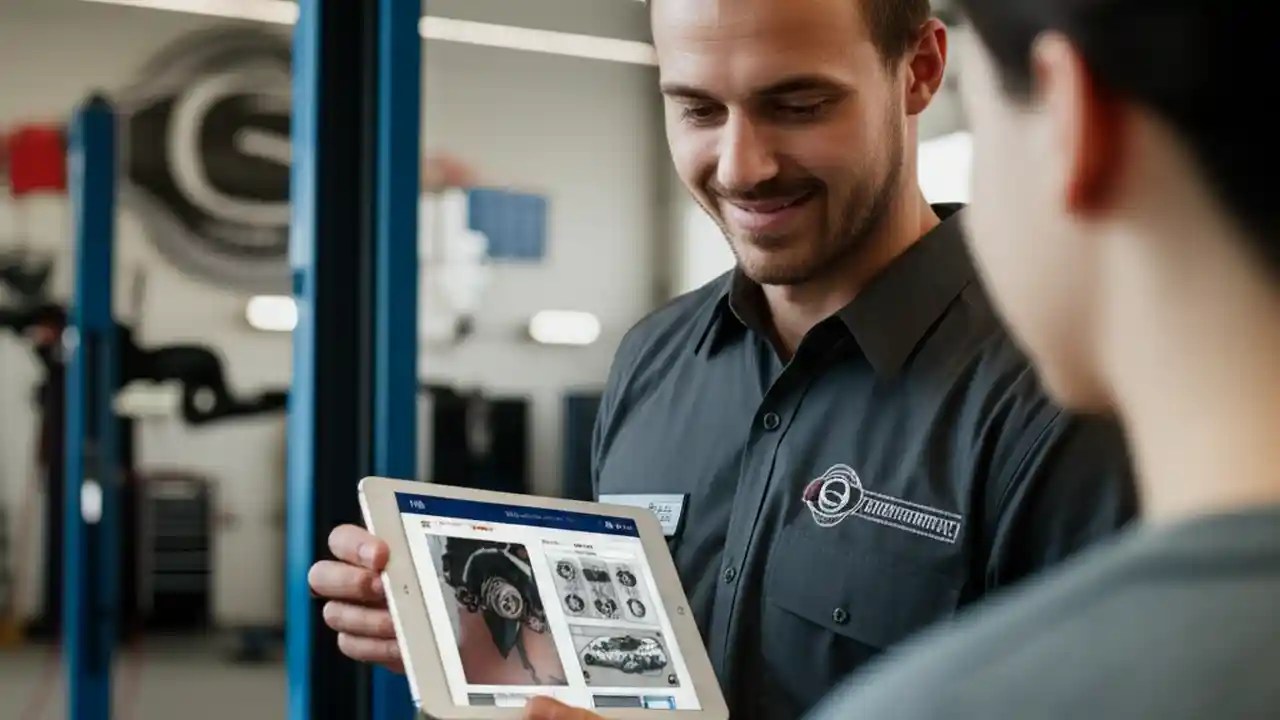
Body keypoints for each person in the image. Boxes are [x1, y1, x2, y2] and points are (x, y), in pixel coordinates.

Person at [308, 1, 1139, 717]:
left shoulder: (1056, 388)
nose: (742, 167)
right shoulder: (654, 359)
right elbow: (631, 665)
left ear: (919, 70)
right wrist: (478, 642)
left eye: (800, 104)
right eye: (700, 111)